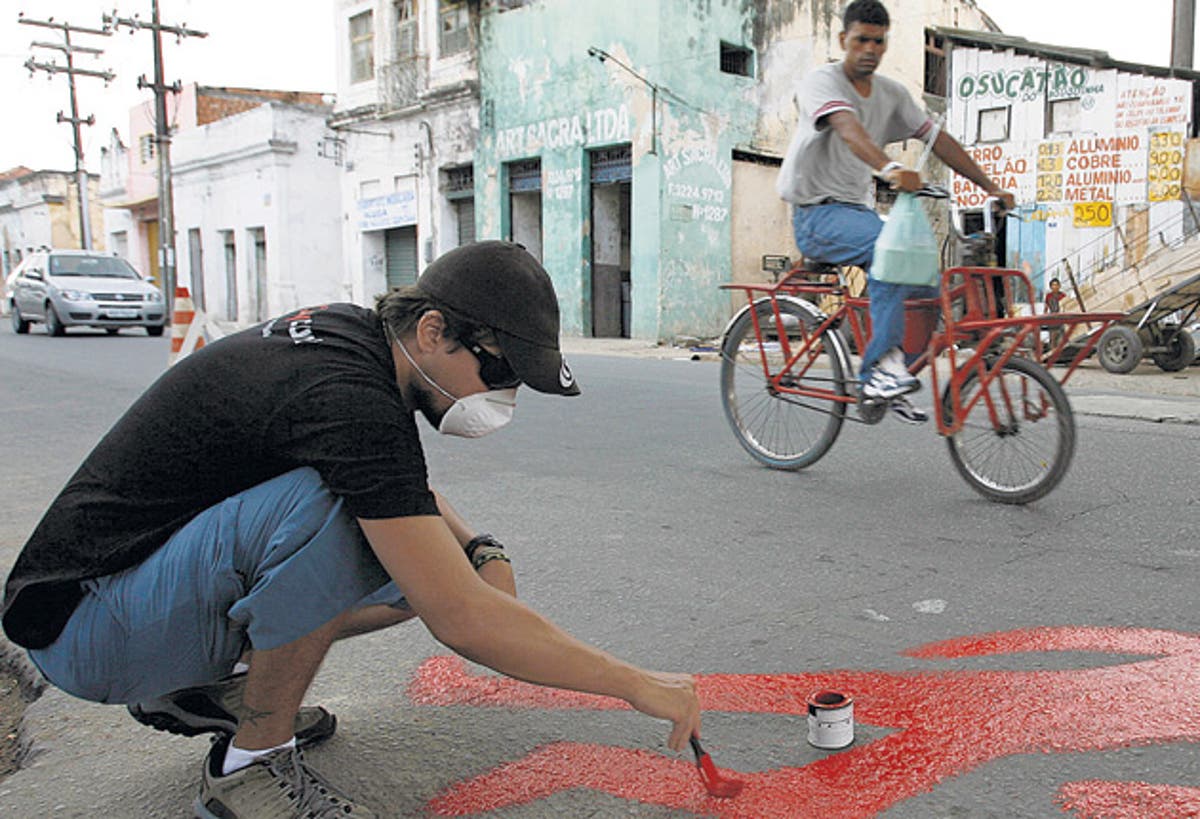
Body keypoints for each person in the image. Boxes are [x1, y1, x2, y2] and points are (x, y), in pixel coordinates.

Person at [2, 241, 701, 819]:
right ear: (433, 330)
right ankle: (249, 765)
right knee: (354, 528)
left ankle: (209, 688)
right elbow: (462, 619)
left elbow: (405, 494)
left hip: (123, 598)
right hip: (87, 628)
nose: (502, 396)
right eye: (500, 372)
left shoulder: (352, 344)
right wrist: (636, 682)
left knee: (413, 558)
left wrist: (478, 548)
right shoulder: (350, 400)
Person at [777, 0, 1016, 424]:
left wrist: (989, 185)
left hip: (858, 213)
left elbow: (939, 140)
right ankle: (876, 372)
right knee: (888, 251)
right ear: (842, 41)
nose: (869, 49)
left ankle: (896, 372)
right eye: (861, 40)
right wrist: (888, 167)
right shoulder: (822, 82)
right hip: (814, 215)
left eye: (878, 41)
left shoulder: (892, 95)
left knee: (923, 276)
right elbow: (848, 129)